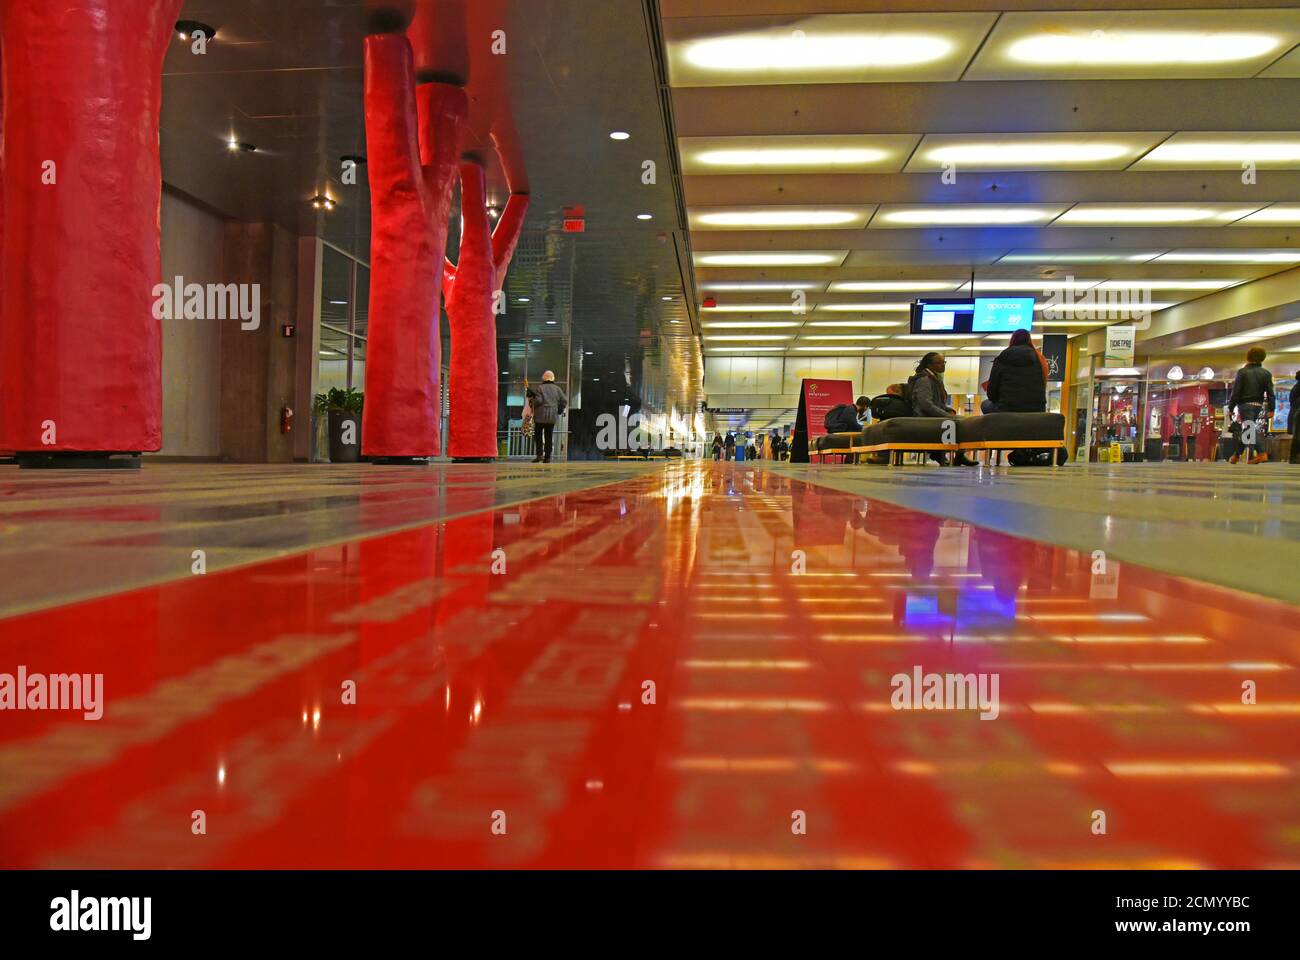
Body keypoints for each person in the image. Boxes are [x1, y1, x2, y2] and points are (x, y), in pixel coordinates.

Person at [908, 352, 977, 466]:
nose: (943, 365)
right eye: (939, 363)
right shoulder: (924, 379)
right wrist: (946, 415)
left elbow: (937, 403)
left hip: (932, 415)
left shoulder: (934, 378)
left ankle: (957, 455)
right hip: (925, 417)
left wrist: (948, 410)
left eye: (943, 362)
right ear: (929, 365)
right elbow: (925, 404)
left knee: (964, 421)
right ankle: (943, 454)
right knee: (959, 423)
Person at [1226, 346, 1275, 464]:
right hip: (1258, 406)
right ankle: (1236, 455)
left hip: (1245, 405)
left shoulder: (1242, 372)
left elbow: (1236, 392)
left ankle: (1261, 453)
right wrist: (1271, 408)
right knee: (1248, 429)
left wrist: (1231, 407)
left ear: (1248, 356)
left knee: (1249, 429)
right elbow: (1270, 393)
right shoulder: (1266, 373)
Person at [982, 328, 1048, 414]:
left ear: (1012, 340)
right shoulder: (1040, 359)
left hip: (1006, 408)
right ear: (1029, 340)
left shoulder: (1002, 357)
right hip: (1037, 409)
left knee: (984, 405)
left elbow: (992, 394)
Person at [525, 370, 567, 463]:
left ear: (543, 378)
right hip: (552, 416)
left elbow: (539, 401)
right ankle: (547, 457)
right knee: (549, 436)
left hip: (540, 416)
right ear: (553, 378)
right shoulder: (557, 389)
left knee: (538, 436)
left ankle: (539, 455)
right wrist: (559, 409)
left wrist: (532, 402)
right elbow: (564, 400)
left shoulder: (540, 388)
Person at [1290, 374, 1300, 464]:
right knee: (1298, 436)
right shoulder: (1298, 386)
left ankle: (1294, 457)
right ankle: (1294, 457)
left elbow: (1292, 401)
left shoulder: (1296, 386)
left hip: (1297, 412)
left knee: (1297, 436)